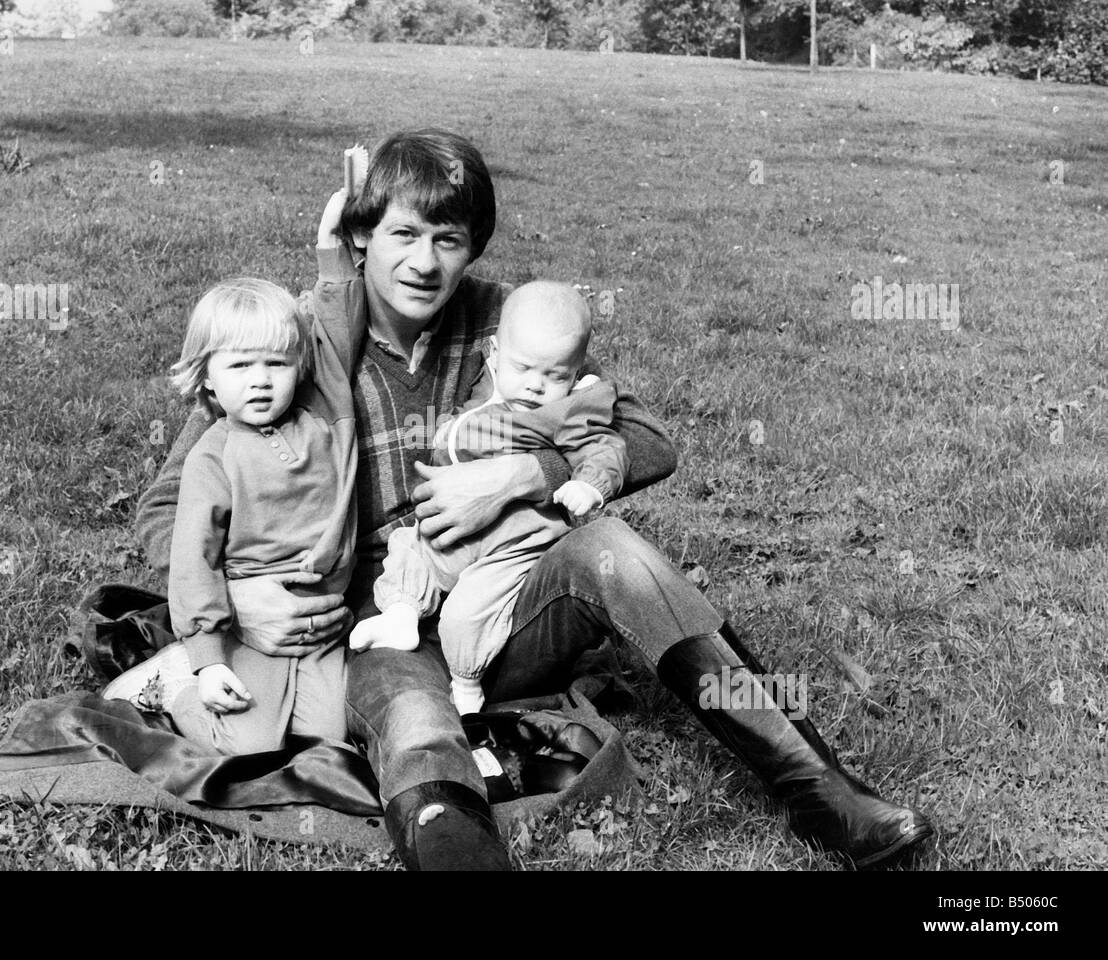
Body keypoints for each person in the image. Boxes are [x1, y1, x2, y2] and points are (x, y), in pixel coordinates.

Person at [136, 129, 934, 870]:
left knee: (613, 549)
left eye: (448, 240)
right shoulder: (295, 341)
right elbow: (167, 512)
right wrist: (244, 603)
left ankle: (820, 793)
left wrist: (527, 475)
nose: (424, 263)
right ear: (360, 238)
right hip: (377, 628)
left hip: (506, 600)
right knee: (418, 724)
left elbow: (645, 435)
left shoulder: (503, 320)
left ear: (472, 249)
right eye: (403, 236)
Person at [106, 192, 364, 755]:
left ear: (300, 366)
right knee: (250, 746)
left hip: (321, 622)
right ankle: (172, 688)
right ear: (207, 380)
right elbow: (194, 562)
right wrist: (205, 659)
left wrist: (331, 245)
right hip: (247, 623)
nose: (262, 380)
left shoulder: (326, 415)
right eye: (241, 366)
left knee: (328, 737)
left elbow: (336, 324)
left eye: (276, 363)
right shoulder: (213, 456)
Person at [349, 280, 628, 717]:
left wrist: (587, 484)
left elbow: (607, 447)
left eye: (554, 376)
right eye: (525, 369)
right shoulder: (492, 379)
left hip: (513, 538)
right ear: (496, 354)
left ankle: (467, 683)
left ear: (575, 374)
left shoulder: (570, 408)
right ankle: (401, 616)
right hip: (455, 526)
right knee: (408, 548)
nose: (536, 386)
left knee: (469, 609)